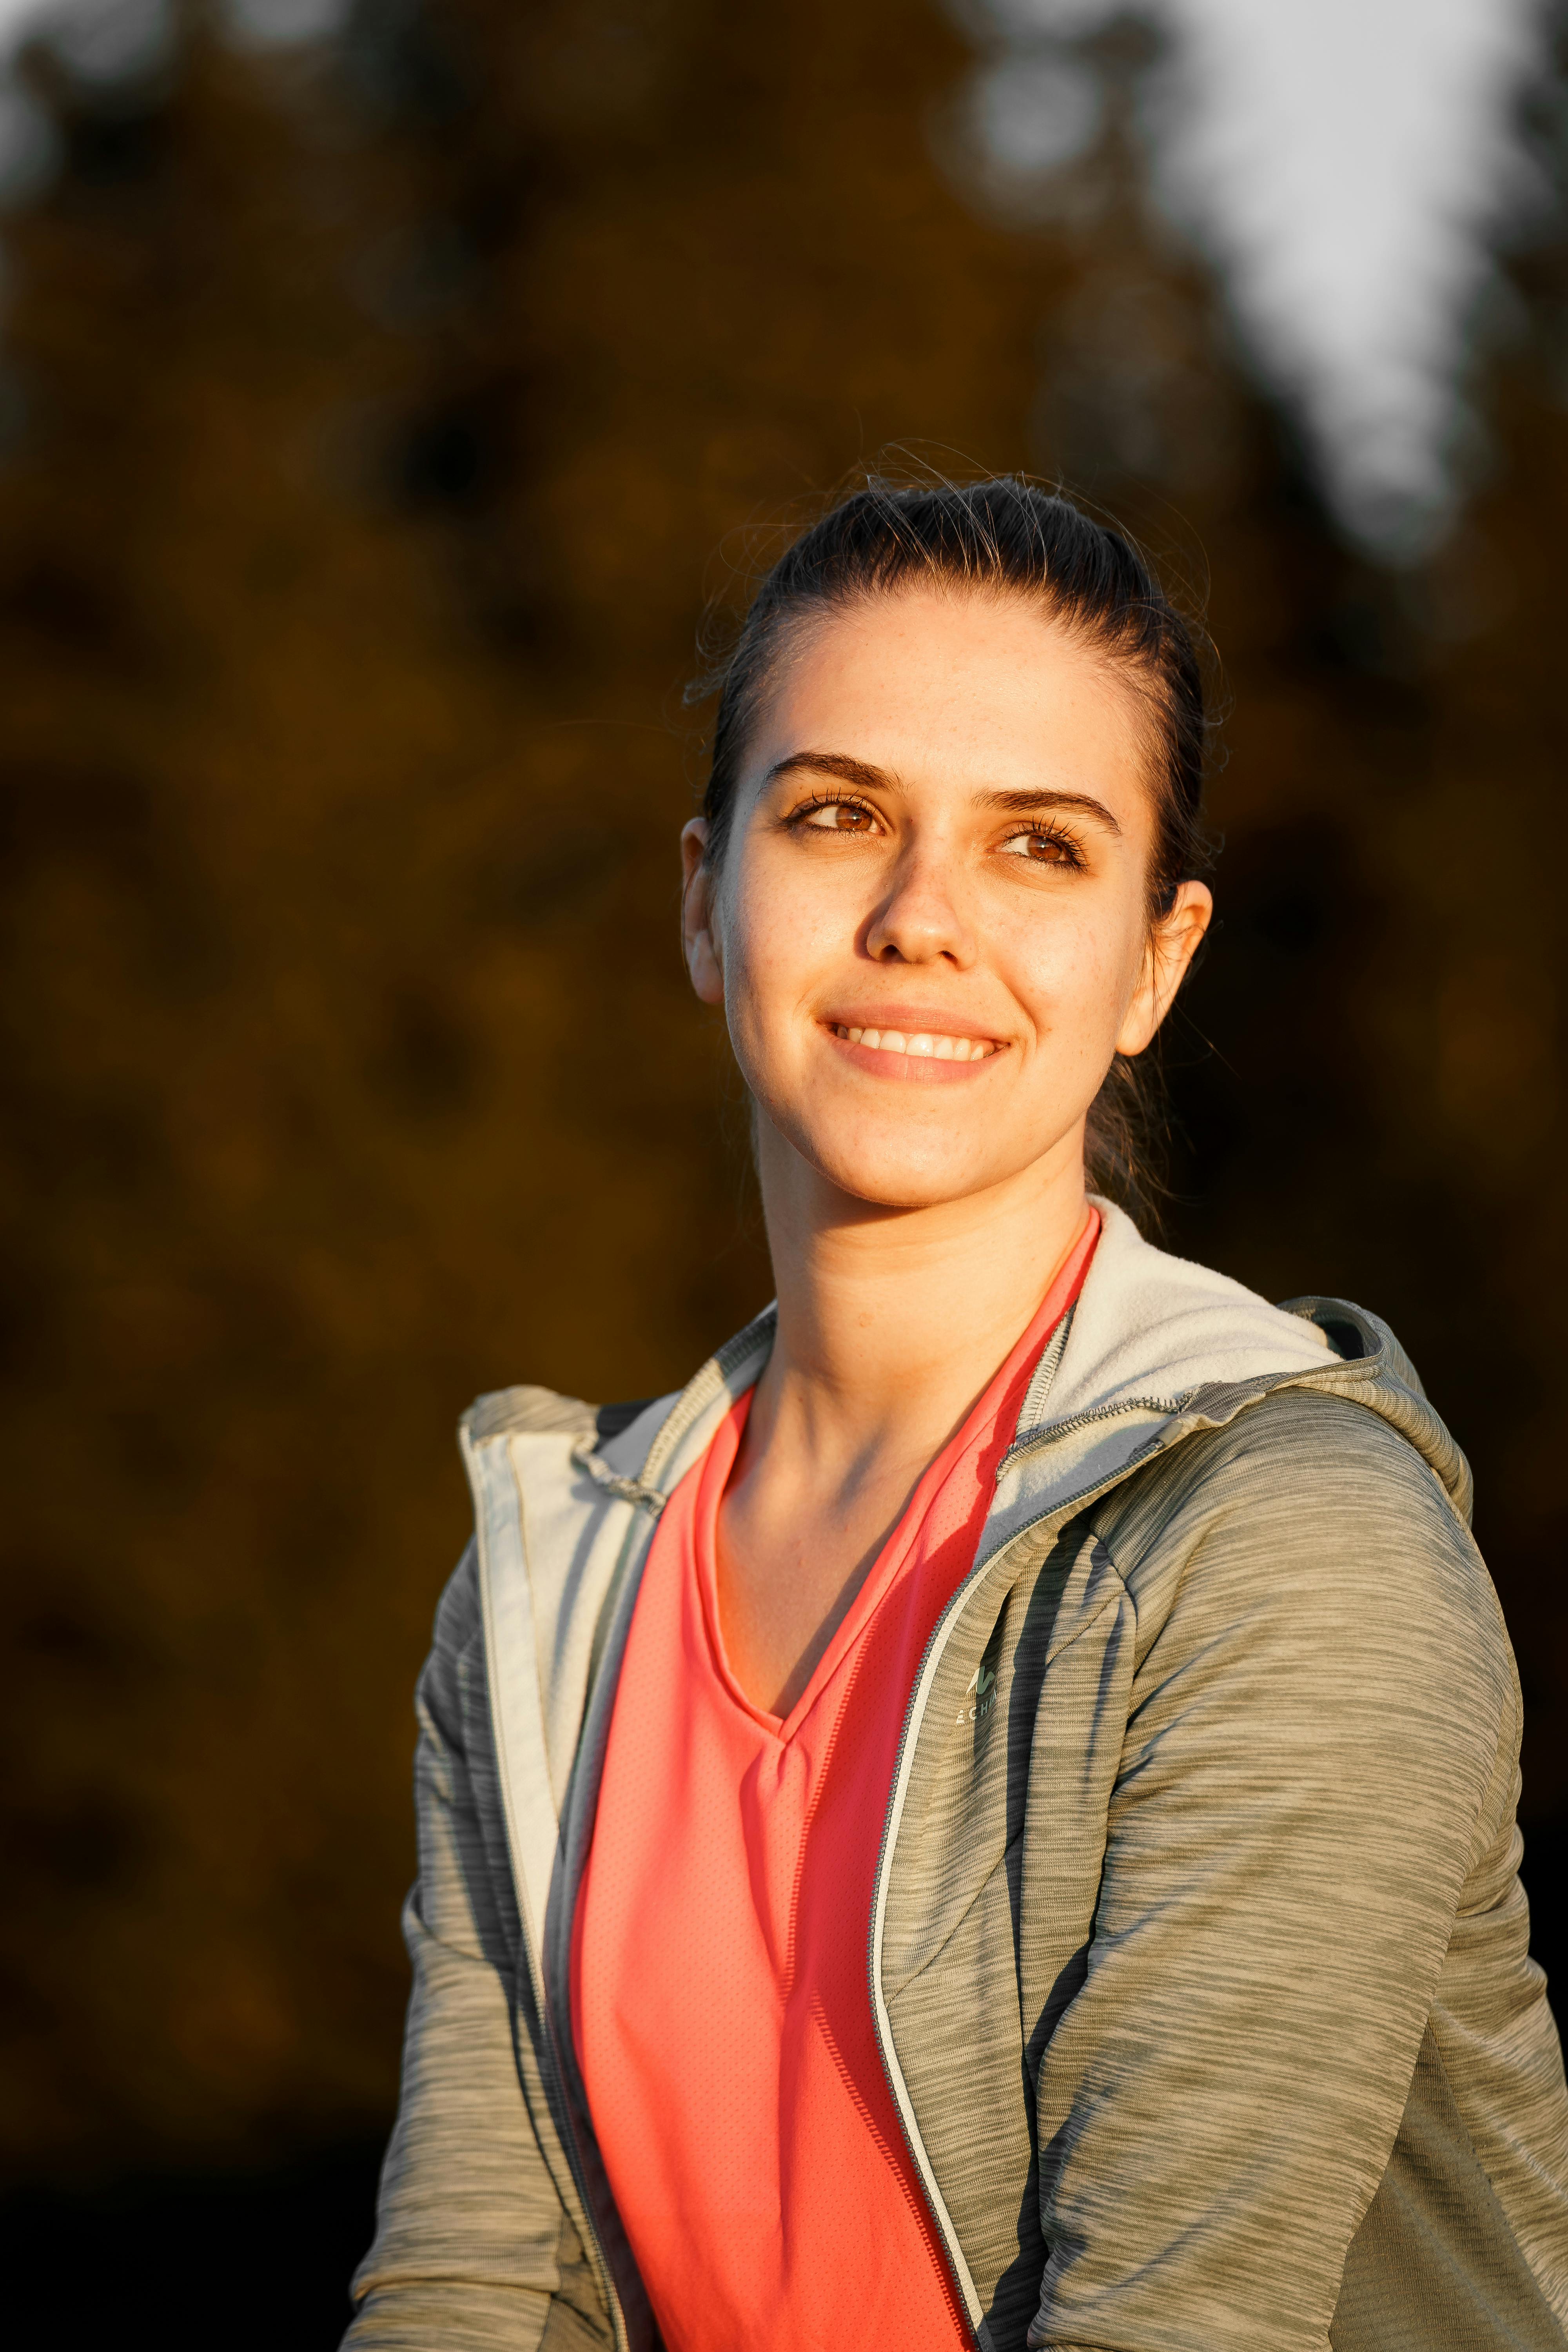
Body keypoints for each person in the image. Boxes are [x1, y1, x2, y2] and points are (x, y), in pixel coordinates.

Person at [344, 478, 1568, 2352]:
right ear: (703, 902)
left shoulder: (1288, 1538)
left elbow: (1176, 2327)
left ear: (1154, 962)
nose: (922, 918)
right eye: (839, 815)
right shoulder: (547, 1591)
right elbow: (475, 2296)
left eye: (1038, 847)